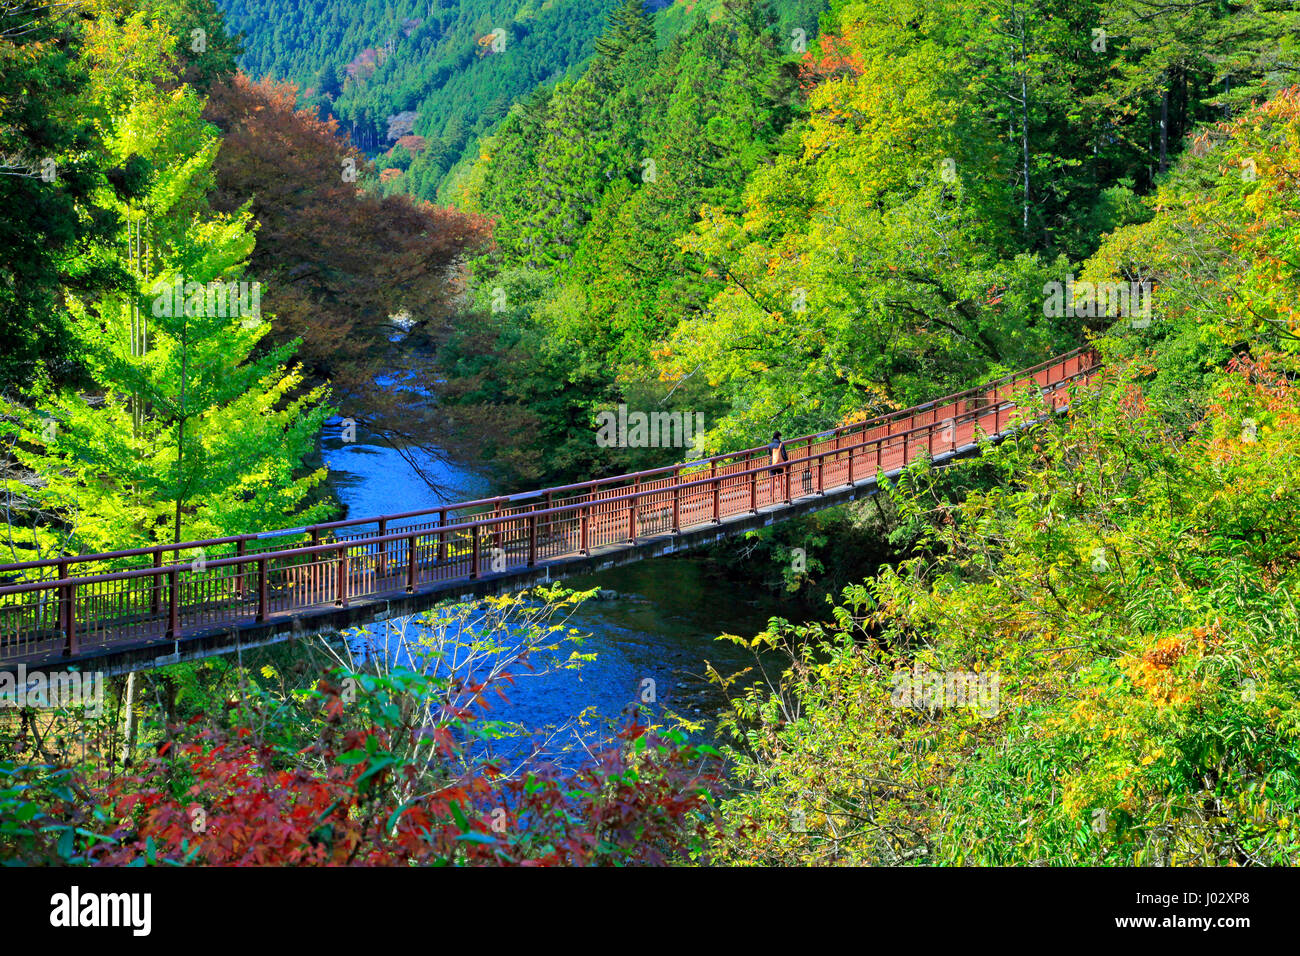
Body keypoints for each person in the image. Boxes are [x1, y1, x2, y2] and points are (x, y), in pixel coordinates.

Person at [768, 431, 788, 501]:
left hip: (772, 464)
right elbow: (784, 455)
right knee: (781, 479)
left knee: (772, 480)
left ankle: (771, 497)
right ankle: (783, 495)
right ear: (778, 436)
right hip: (779, 464)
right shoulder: (781, 444)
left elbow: (770, 454)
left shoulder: (770, 445)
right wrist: (786, 461)